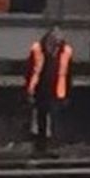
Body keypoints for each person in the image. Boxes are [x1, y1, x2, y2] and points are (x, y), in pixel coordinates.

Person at [24, 27, 73, 156]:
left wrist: (67, 93)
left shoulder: (65, 51)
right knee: (41, 118)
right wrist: (29, 91)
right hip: (40, 89)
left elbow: (68, 74)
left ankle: (52, 145)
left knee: (54, 118)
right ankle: (41, 145)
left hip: (57, 91)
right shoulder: (38, 49)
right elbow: (30, 71)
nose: (57, 41)